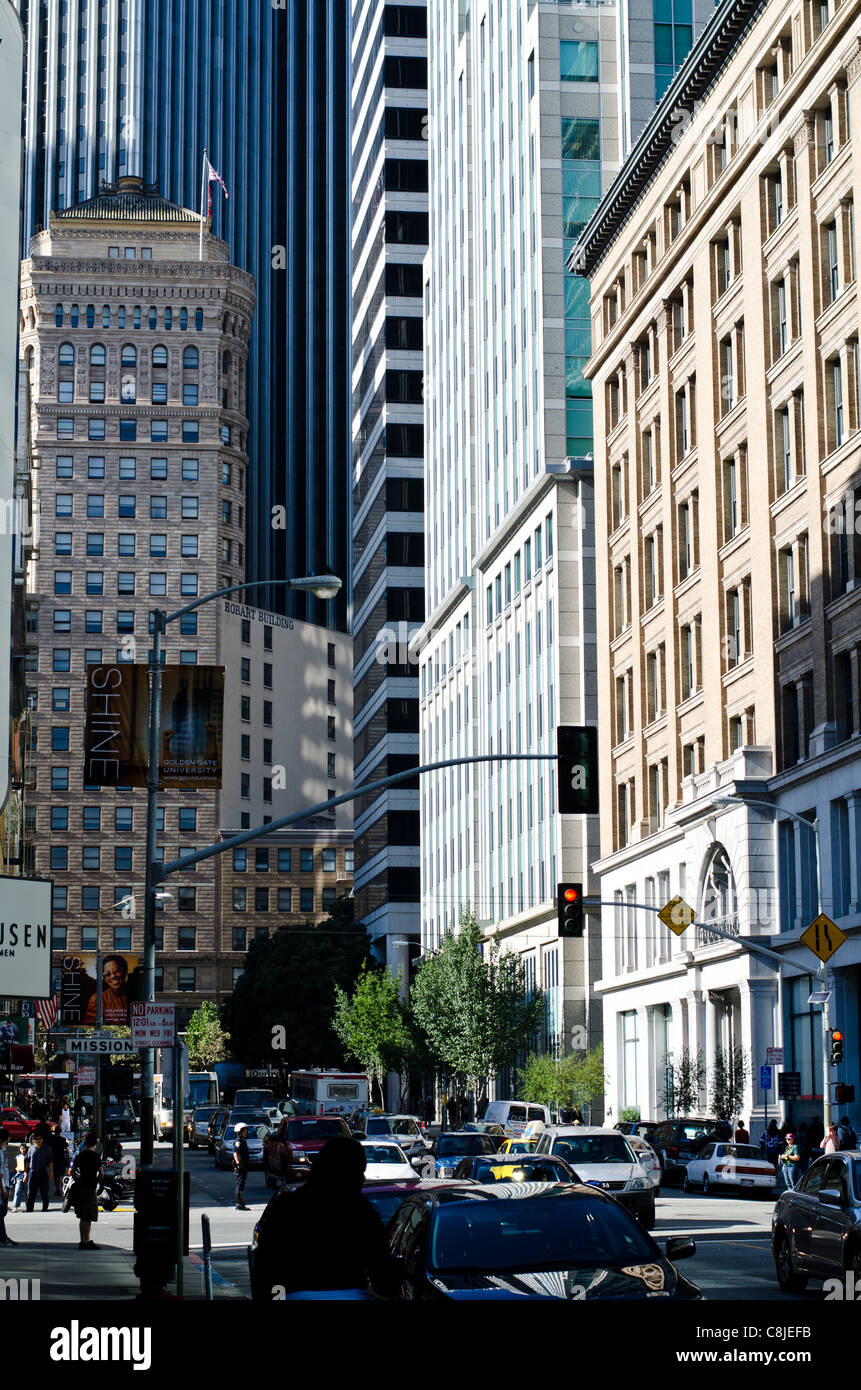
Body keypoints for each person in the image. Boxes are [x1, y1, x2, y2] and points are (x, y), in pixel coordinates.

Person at [251, 1137, 402, 1300]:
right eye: (360, 1171)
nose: (363, 1178)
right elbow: (382, 1271)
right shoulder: (360, 1211)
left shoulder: (286, 1206)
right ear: (353, 1174)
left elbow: (265, 1267)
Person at [71, 1131, 103, 1250]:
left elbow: (73, 1171)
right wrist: (96, 1181)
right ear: (94, 1143)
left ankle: (82, 1240)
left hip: (81, 1186)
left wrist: (78, 1180)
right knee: (88, 1216)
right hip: (90, 1187)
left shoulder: (80, 1155)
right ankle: (87, 1240)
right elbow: (101, 1173)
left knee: (82, 1215)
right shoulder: (95, 1156)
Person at [83, 954, 130, 1026]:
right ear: (104, 979)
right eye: (107, 974)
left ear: (125, 971)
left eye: (116, 971)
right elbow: (90, 1027)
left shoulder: (138, 994)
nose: (112, 976)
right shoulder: (97, 999)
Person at [24, 1131, 53, 1211]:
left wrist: (51, 1172)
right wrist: (25, 1173)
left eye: (39, 1138)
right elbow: (27, 1160)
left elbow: (50, 1162)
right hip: (33, 1172)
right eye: (36, 1139)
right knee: (31, 1191)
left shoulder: (47, 1149)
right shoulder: (31, 1149)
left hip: (43, 1172)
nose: (38, 1140)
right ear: (33, 1140)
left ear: (42, 1139)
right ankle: (29, 1208)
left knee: (44, 1191)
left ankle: (45, 1207)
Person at [0, 1127, 15, 1247]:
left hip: (5, 1183)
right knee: (1, 1212)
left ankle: (3, 1235)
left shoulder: (3, 1150)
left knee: (2, 1212)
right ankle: (2, 1237)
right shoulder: (0, 1151)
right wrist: (3, 1188)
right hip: (2, 1185)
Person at [48, 1124, 69, 1196]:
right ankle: (60, 1182)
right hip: (61, 1159)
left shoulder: (52, 1139)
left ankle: (57, 1189)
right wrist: (68, 1159)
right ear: (60, 1132)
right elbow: (66, 1150)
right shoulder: (63, 1140)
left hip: (53, 1159)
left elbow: (49, 1149)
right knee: (61, 1174)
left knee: (55, 1175)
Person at [233, 1124, 250, 1210]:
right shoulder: (238, 1142)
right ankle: (238, 1204)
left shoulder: (243, 1141)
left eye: (246, 1131)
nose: (246, 1132)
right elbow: (235, 1153)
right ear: (239, 1132)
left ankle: (241, 1203)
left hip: (244, 1165)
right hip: (240, 1166)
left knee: (242, 1184)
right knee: (239, 1184)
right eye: (244, 1131)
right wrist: (238, 1163)